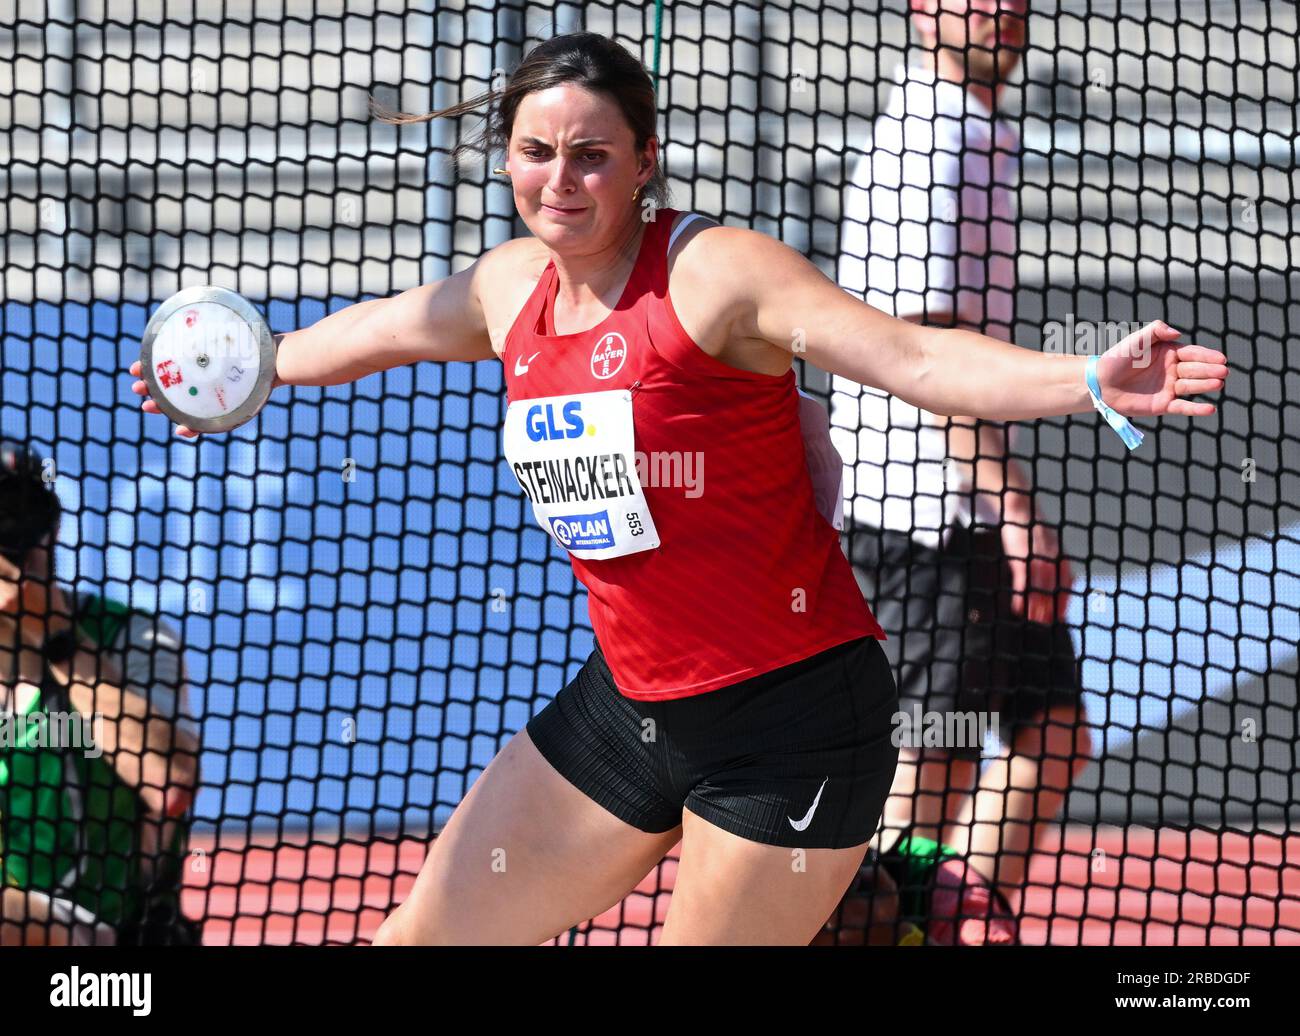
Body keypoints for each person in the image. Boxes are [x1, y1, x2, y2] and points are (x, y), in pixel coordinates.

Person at [129, 31, 1227, 946]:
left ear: (646, 158)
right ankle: (888, 904)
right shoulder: (511, 288)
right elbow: (373, 333)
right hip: (632, 706)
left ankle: (888, 903)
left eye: (591, 156)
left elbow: (915, 358)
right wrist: (240, 370)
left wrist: (1085, 378)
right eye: (535, 152)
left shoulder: (717, 277)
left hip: (790, 723)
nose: (559, 180)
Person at [833, 0, 1080, 943]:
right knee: (925, 773)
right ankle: (896, 925)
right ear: (920, 11)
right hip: (919, 515)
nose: (1004, 10)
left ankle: (942, 924)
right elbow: (932, 352)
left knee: (1050, 731)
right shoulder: (935, 143)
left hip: (955, 511)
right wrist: (1016, 512)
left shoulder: (972, 129)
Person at [0, 441, 202, 945]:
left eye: (24, 516)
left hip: (102, 937)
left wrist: (54, 633)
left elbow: (169, 783)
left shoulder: (130, 637)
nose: (15, 543)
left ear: (53, 528)